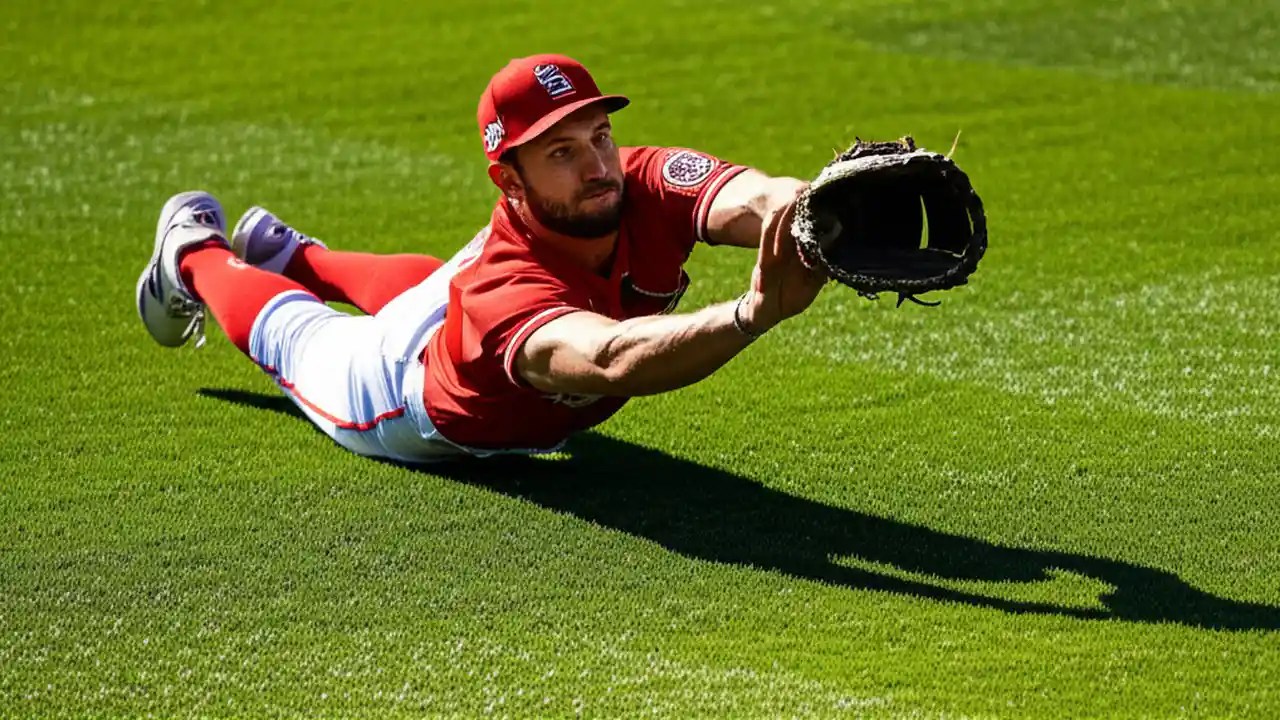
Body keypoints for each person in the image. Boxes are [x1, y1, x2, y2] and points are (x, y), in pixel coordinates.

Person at [135, 54, 826, 462]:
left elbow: (755, 196)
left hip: (468, 302)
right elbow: (611, 359)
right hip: (396, 394)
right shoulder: (505, 292)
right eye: (561, 152)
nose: (597, 166)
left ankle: (295, 255)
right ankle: (193, 251)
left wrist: (814, 211)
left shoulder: (636, 179)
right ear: (509, 180)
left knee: (436, 287)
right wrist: (749, 315)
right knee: (299, 337)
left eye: (599, 134)